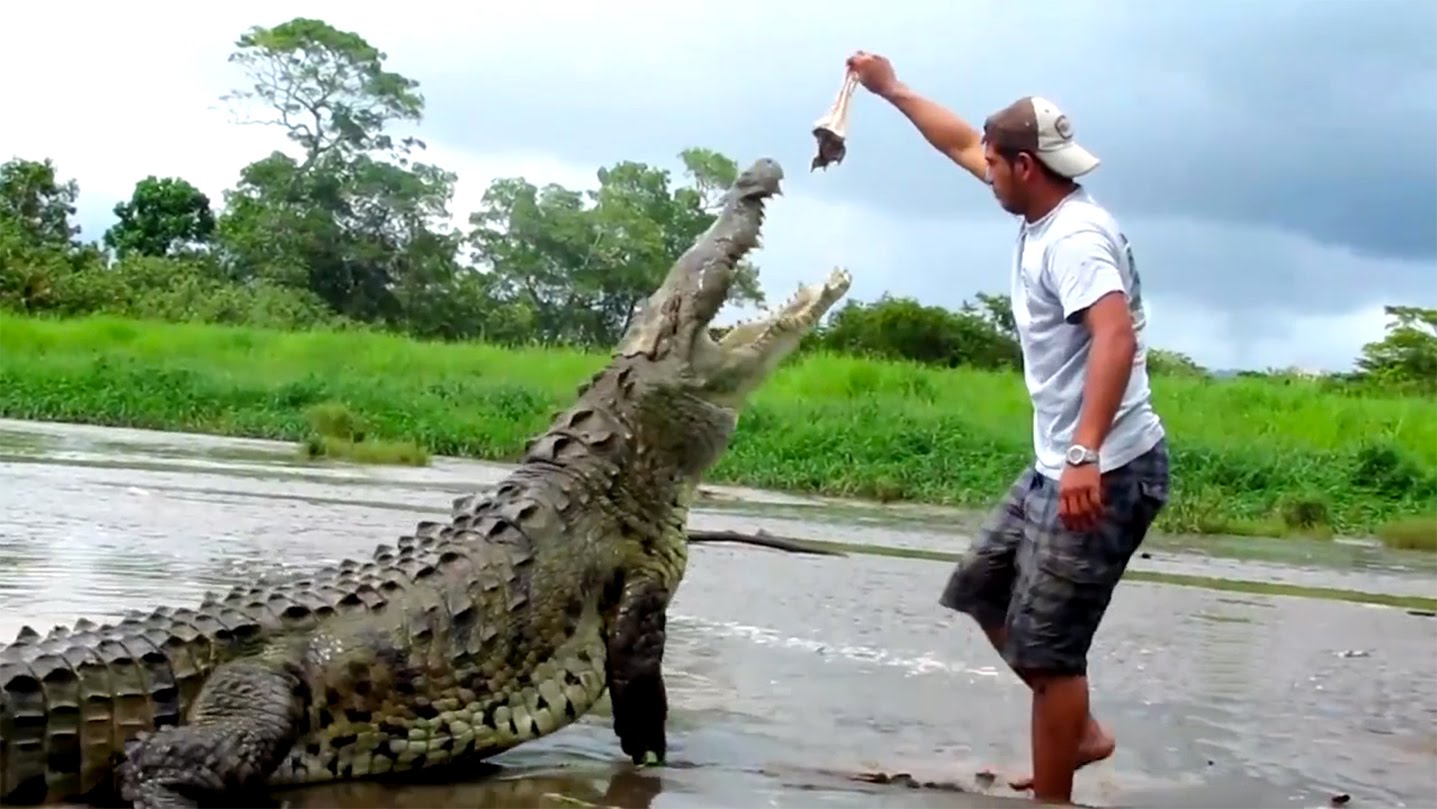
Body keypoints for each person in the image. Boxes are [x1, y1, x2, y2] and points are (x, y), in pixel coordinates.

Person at [844, 51, 1171, 805]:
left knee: (1052, 654)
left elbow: (1114, 337)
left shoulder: (1074, 239)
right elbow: (960, 140)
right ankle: (1079, 732)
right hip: (1057, 461)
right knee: (983, 589)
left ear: (1023, 166)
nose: (979, 169)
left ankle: (1053, 794)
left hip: (1107, 465)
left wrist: (1085, 451)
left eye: (991, 164)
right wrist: (890, 90)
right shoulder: (1036, 200)